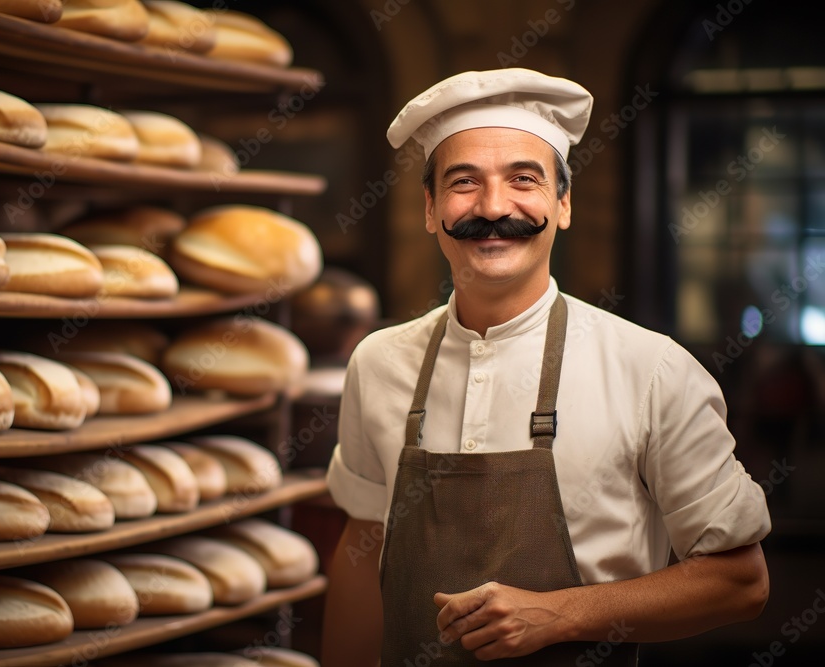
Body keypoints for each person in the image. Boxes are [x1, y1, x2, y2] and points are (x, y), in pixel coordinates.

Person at [320, 68, 771, 666]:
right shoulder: (377, 363)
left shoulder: (652, 370)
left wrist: (561, 615)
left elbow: (741, 581)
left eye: (523, 180)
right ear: (430, 209)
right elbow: (364, 542)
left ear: (562, 205)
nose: (493, 207)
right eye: (463, 182)